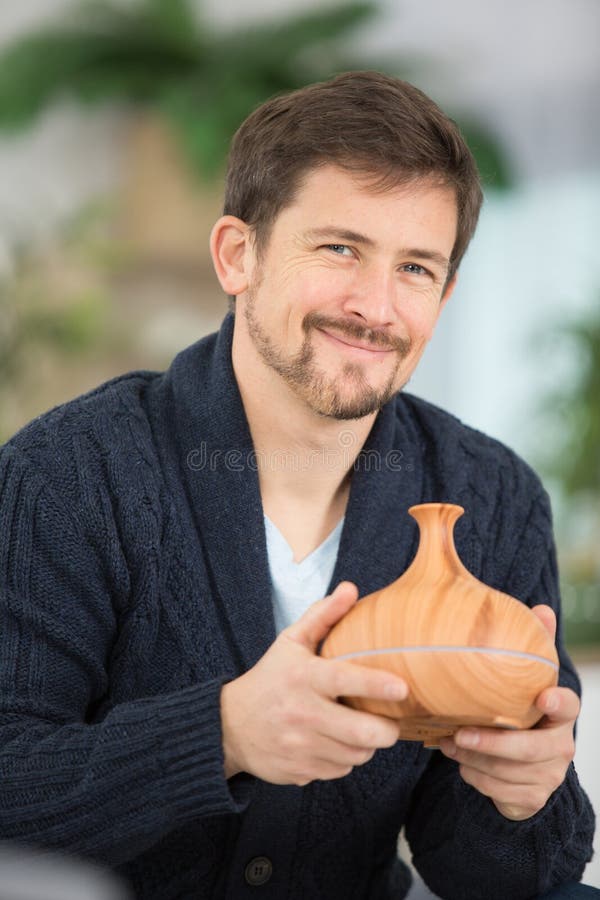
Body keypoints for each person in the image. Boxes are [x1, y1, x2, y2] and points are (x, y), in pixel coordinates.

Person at [0, 71, 596, 900]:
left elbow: (505, 879)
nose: (375, 307)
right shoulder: (69, 473)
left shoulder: (493, 498)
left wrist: (523, 796)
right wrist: (220, 738)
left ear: (445, 293)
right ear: (238, 255)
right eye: (340, 248)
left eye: (415, 268)